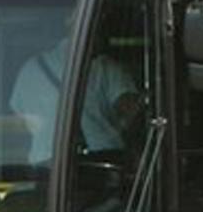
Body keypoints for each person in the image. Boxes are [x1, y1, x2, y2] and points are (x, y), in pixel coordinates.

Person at [10, 41, 144, 165]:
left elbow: (21, 120)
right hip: (100, 161)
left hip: (45, 164)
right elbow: (131, 112)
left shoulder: (30, 68)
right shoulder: (104, 66)